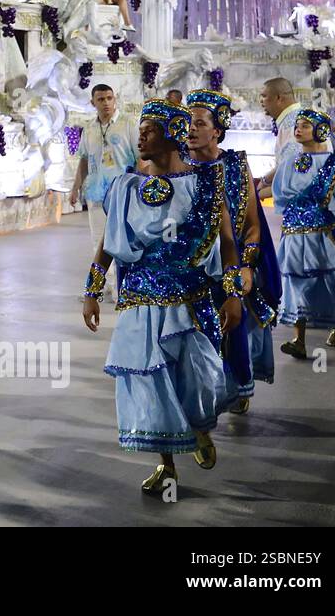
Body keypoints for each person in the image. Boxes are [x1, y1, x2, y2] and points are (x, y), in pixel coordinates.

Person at [82, 99, 241, 495]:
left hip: (190, 301)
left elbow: (226, 240)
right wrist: (91, 290)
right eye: (140, 130)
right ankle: (166, 464)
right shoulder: (125, 186)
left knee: (199, 379)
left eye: (149, 130)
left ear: (171, 135)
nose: (140, 136)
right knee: (149, 384)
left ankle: (201, 429)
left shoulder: (205, 184)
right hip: (140, 301)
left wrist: (234, 294)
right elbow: (107, 243)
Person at [185, 89, 280, 415]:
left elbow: (253, 225)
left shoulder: (236, 166)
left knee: (232, 332)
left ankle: (235, 388)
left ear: (217, 130)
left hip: (230, 265)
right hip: (188, 271)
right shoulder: (176, 168)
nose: (191, 130)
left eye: (198, 123)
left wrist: (247, 267)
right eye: (187, 123)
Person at [272, 109, 335, 358]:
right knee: (297, 283)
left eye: (305, 125)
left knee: (332, 282)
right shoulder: (289, 163)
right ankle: (299, 339)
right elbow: (274, 192)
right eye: (298, 125)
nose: (299, 129)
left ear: (320, 130)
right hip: (295, 234)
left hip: (325, 233)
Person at [69, 84, 138, 297]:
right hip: (96, 193)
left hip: (123, 193)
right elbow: (83, 160)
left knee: (121, 240)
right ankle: (102, 286)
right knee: (98, 241)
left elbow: (140, 158)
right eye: (101, 99)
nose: (106, 103)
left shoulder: (129, 124)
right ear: (93, 103)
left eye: (109, 98)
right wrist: (75, 187)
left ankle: (121, 287)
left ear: (114, 99)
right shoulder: (89, 129)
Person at [257, 76, 300, 199]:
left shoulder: (295, 124)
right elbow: (285, 163)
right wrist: (265, 180)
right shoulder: (291, 119)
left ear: (279, 98)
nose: (261, 101)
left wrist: (256, 195)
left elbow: (293, 176)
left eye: (264, 96)